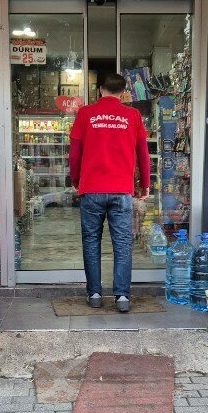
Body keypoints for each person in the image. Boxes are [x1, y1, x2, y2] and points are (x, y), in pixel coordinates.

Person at [69, 72, 151, 312]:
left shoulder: (85, 114)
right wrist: (144, 184)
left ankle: (94, 294)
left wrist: (76, 179)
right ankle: (122, 297)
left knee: (91, 241)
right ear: (124, 92)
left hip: (91, 190)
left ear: (100, 90)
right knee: (122, 243)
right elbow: (143, 155)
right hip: (121, 191)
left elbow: (74, 152)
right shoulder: (133, 115)